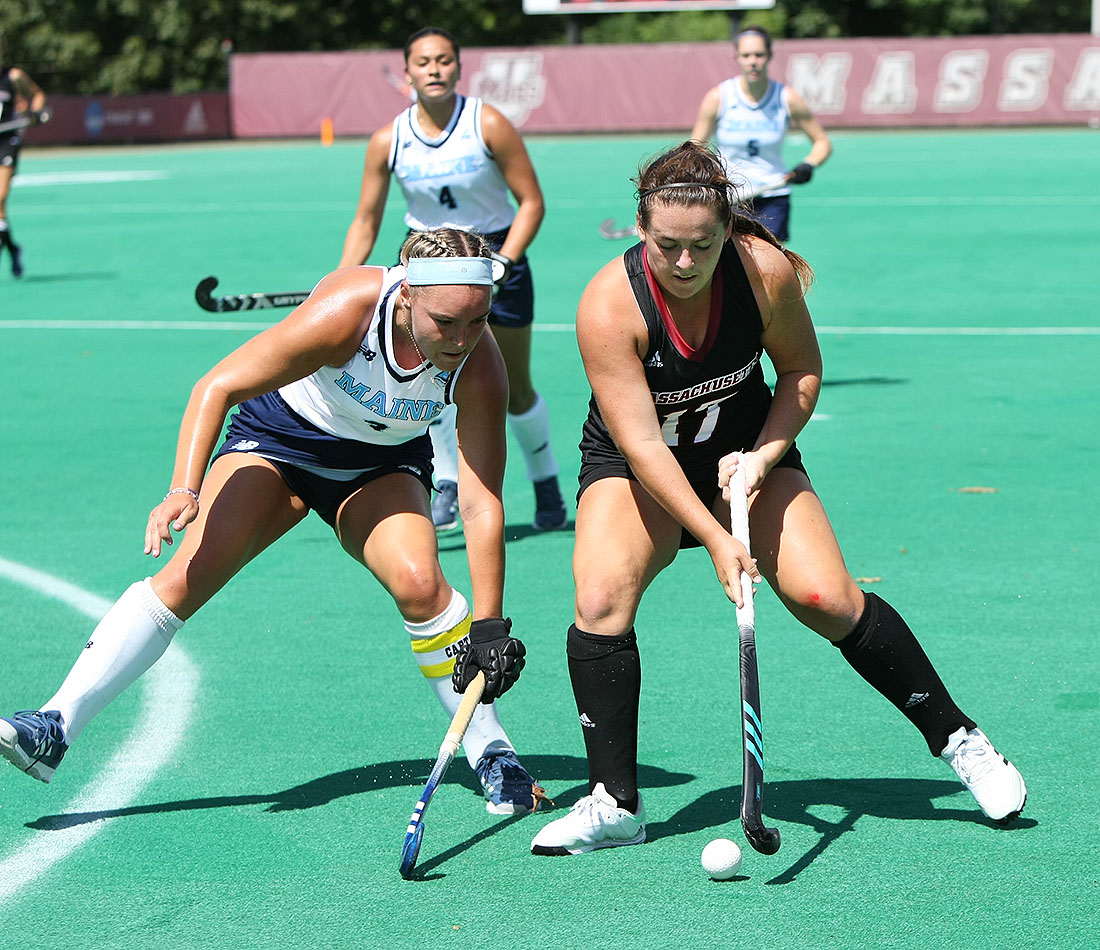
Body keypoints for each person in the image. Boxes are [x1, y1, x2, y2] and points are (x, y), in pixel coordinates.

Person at [529, 141, 1026, 856]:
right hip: (640, 466)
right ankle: (615, 804)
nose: (684, 263)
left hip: (747, 450)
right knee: (601, 599)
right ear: (640, 230)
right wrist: (716, 538)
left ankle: (960, 740)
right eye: (666, 245)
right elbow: (641, 446)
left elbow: (799, 370)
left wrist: (762, 456)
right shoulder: (610, 305)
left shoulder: (763, 274)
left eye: (701, 245)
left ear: (727, 230)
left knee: (827, 597)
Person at [1, 228, 547, 817]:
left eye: (477, 322)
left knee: (422, 585)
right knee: (186, 579)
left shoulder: (481, 365)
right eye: (447, 323)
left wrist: (488, 626)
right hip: (279, 442)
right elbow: (218, 386)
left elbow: (482, 501)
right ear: (409, 295)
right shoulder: (347, 314)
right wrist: (183, 487)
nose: (462, 340)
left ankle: (494, 754)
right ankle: (54, 724)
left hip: (379, 465)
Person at [339, 26, 567, 534]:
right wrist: (341, 282)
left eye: (444, 60)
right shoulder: (387, 140)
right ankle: (448, 483)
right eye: (423, 62)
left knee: (514, 388)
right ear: (407, 73)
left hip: (495, 266)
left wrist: (505, 260)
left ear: (459, 68)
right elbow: (366, 222)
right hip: (427, 270)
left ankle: (546, 479)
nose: (434, 69)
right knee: (435, 379)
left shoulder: (487, 123)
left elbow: (531, 202)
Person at [690, 25, 831, 243]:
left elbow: (822, 141)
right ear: (736, 57)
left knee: (770, 268)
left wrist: (808, 164)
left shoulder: (786, 98)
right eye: (746, 55)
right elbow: (695, 148)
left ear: (769, 56)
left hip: (773, 196)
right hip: (731, 196)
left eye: (759, 54)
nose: (753, 61)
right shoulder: (719, 97)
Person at [0, 39, 48, 279]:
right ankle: (12, 248)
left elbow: (38, 94)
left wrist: (36, 112)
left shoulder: (13, 76)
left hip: (7, 142)